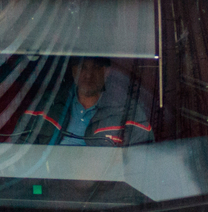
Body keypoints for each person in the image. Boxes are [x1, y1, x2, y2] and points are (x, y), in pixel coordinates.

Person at [19, 57, 154, 146]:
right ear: (73, 71)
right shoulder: (45, 106)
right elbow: (19, 153)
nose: (89, 75)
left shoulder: (130, 113)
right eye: (82, 67)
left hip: (104, 189)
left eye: (96, 67)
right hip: (51, 187)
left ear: (107, 72)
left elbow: (143, 164)